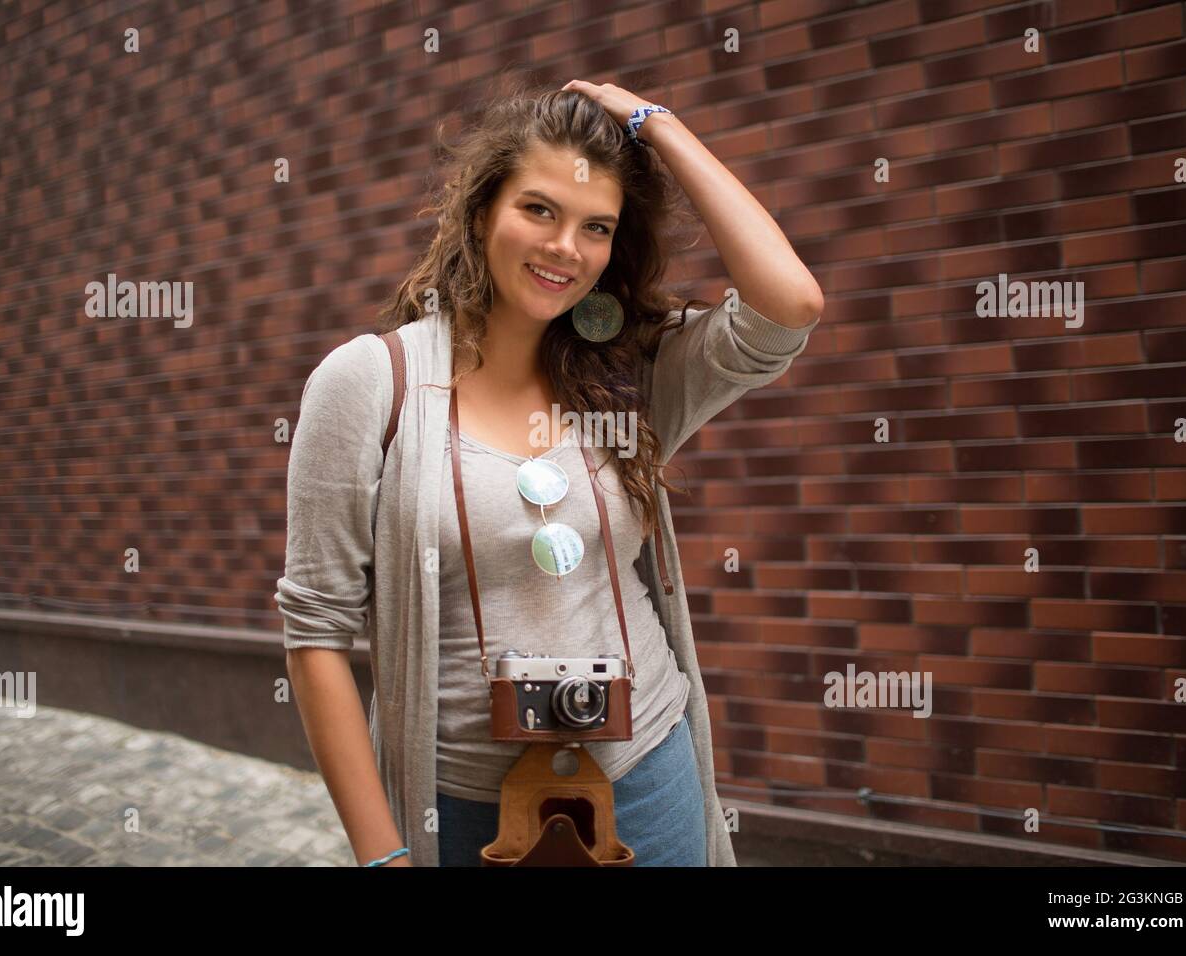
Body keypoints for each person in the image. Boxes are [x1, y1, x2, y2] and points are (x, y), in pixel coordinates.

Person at [275, 76, 823, 867]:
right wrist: (381, 855)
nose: (567, 247)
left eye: (595, 227)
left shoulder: (631, 371)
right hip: (462, 800)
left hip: (647, 771)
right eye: (539, 210)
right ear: (480, 210)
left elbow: (789, 307)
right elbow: (316, 630)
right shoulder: (368, 383)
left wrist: (656, 126)